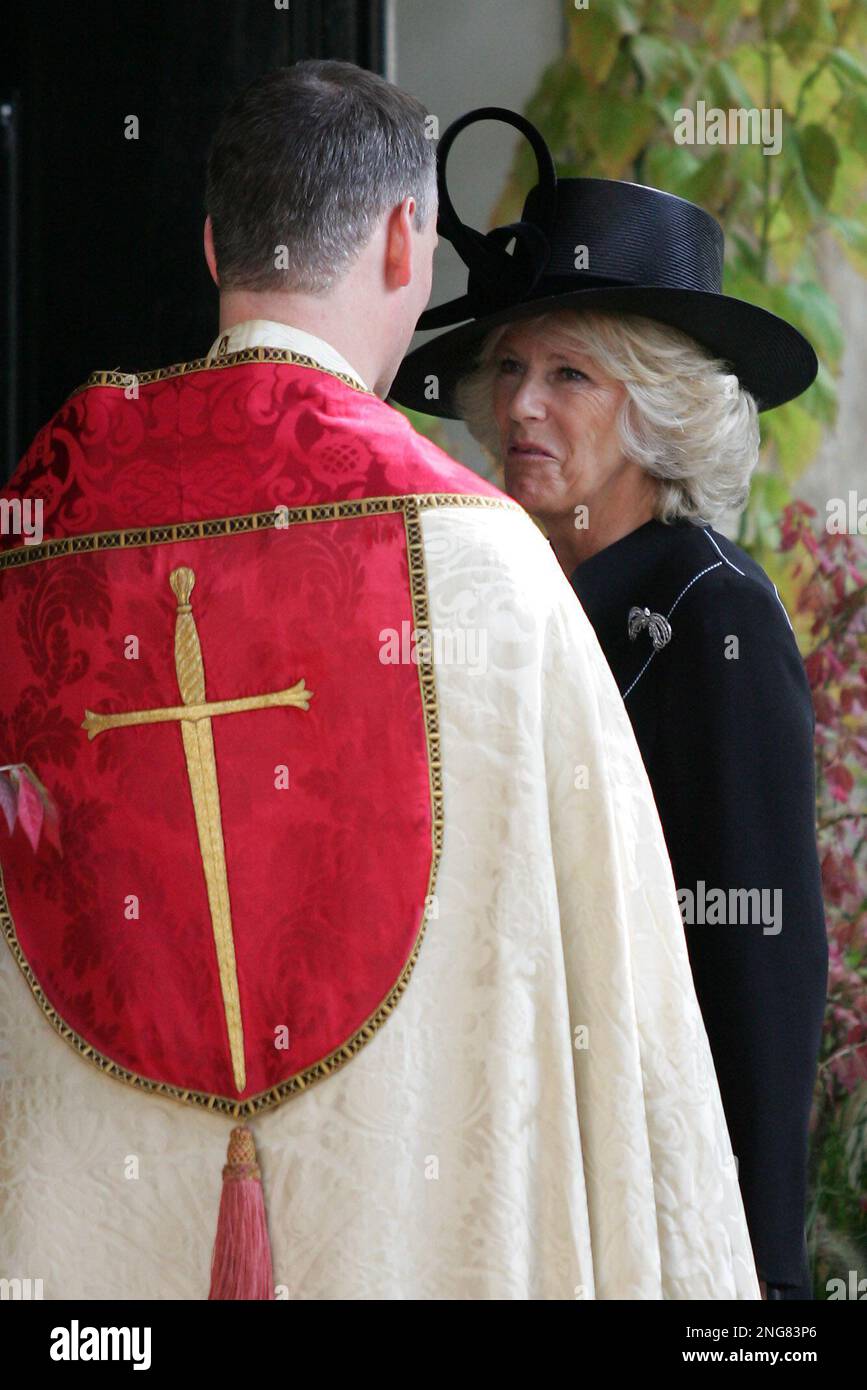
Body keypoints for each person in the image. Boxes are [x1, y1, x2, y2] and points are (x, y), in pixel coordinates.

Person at [0, 68, 761, 1301]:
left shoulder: (31, 542)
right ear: (410, 237)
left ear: (213, 246)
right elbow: (629, 1038)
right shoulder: (488, 565)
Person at [391, 108, 829, 1300]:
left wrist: (766, 1283)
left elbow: (762, 973)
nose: (524, 405)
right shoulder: (501, 591)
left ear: (656, 410)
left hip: (648, 1190)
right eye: (513, 369)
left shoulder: (715, 613)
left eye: (571, 374)